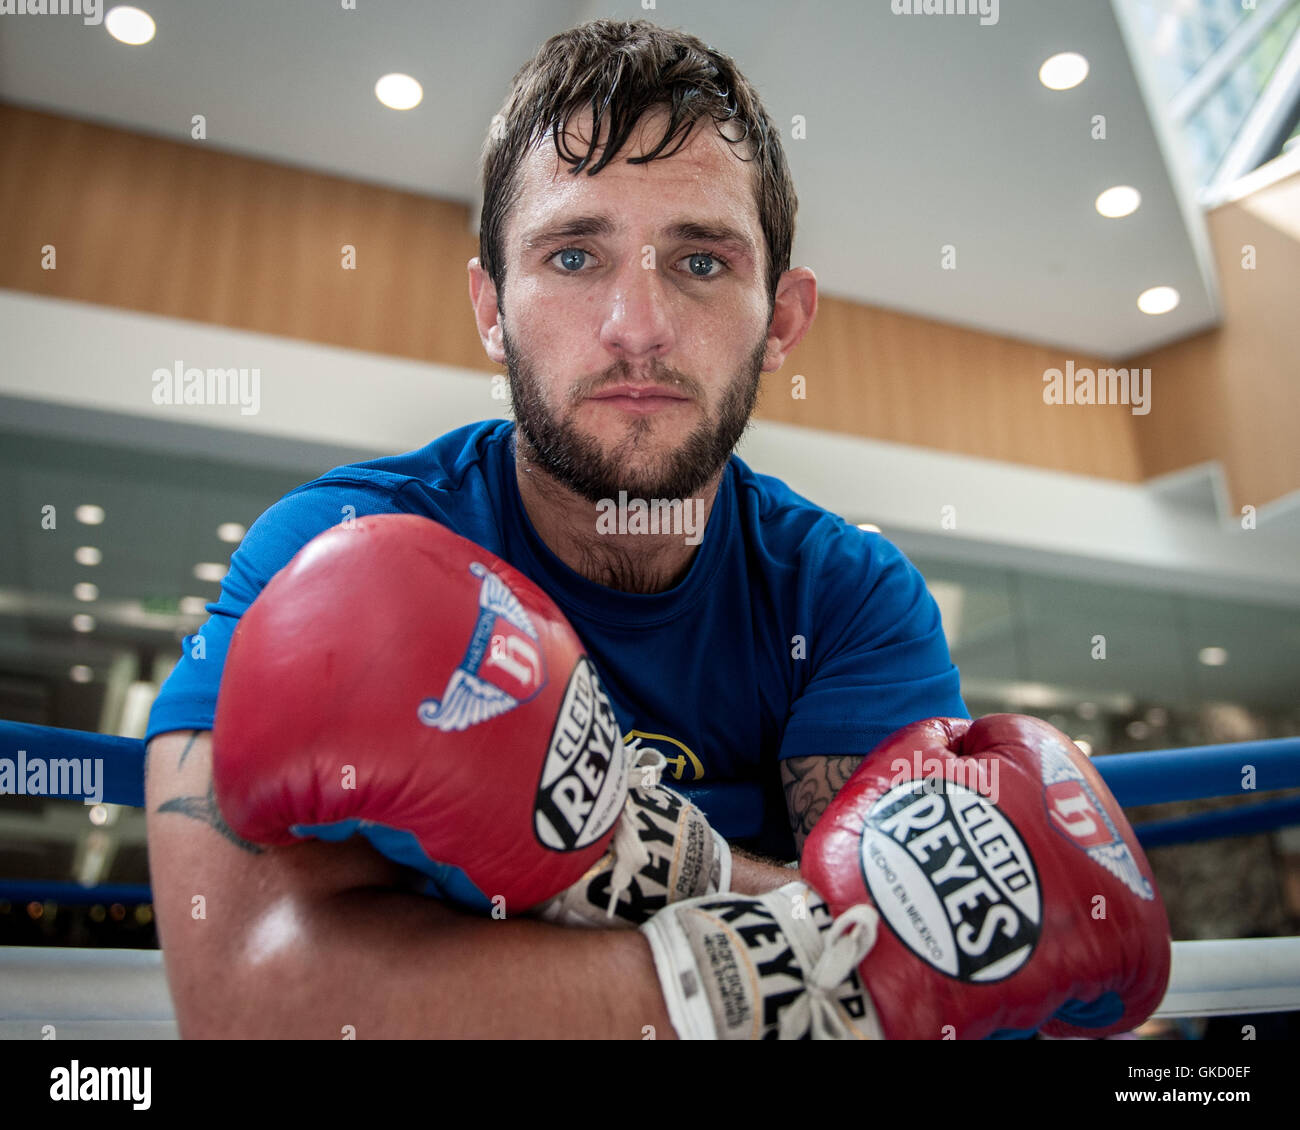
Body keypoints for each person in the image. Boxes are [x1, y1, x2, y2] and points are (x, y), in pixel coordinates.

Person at [143, 18, 968, 1038]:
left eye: (701, 261)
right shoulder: (334, 544)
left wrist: (609, 867)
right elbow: (257, 1002)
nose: (637, 322)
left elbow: (933, 983)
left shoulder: (848, 598)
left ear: (782, 319)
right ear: (490, 308)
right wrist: (771, 943)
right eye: (574, 253)